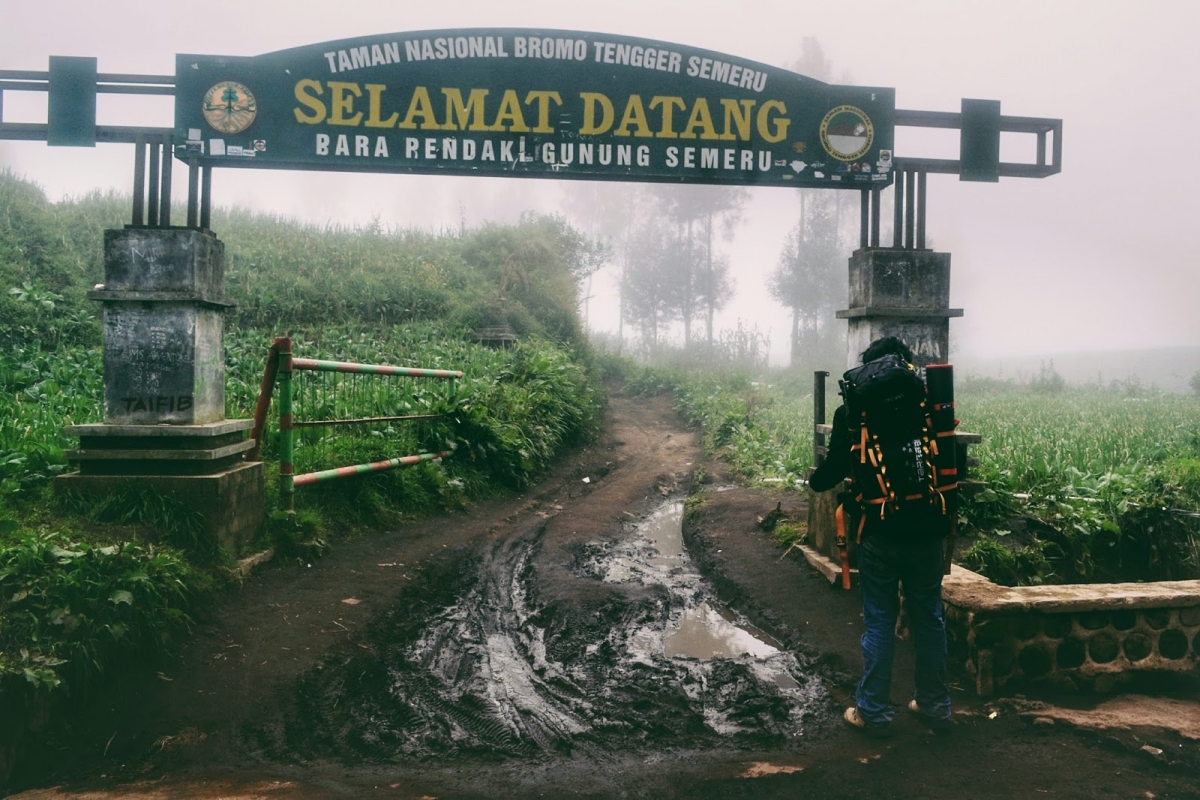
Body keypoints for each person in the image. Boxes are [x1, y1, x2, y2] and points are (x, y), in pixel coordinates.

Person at [809, 336, 952, 736]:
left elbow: (836, 467)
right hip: (928, 530)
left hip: (880, 532)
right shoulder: (930, 403)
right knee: (929, 619)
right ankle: (935, 706)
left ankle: (873, 712)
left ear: (867, 370)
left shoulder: (853, 410)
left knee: (879, 623)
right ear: (907, 365)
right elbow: (949, 461)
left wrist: (815, 482)